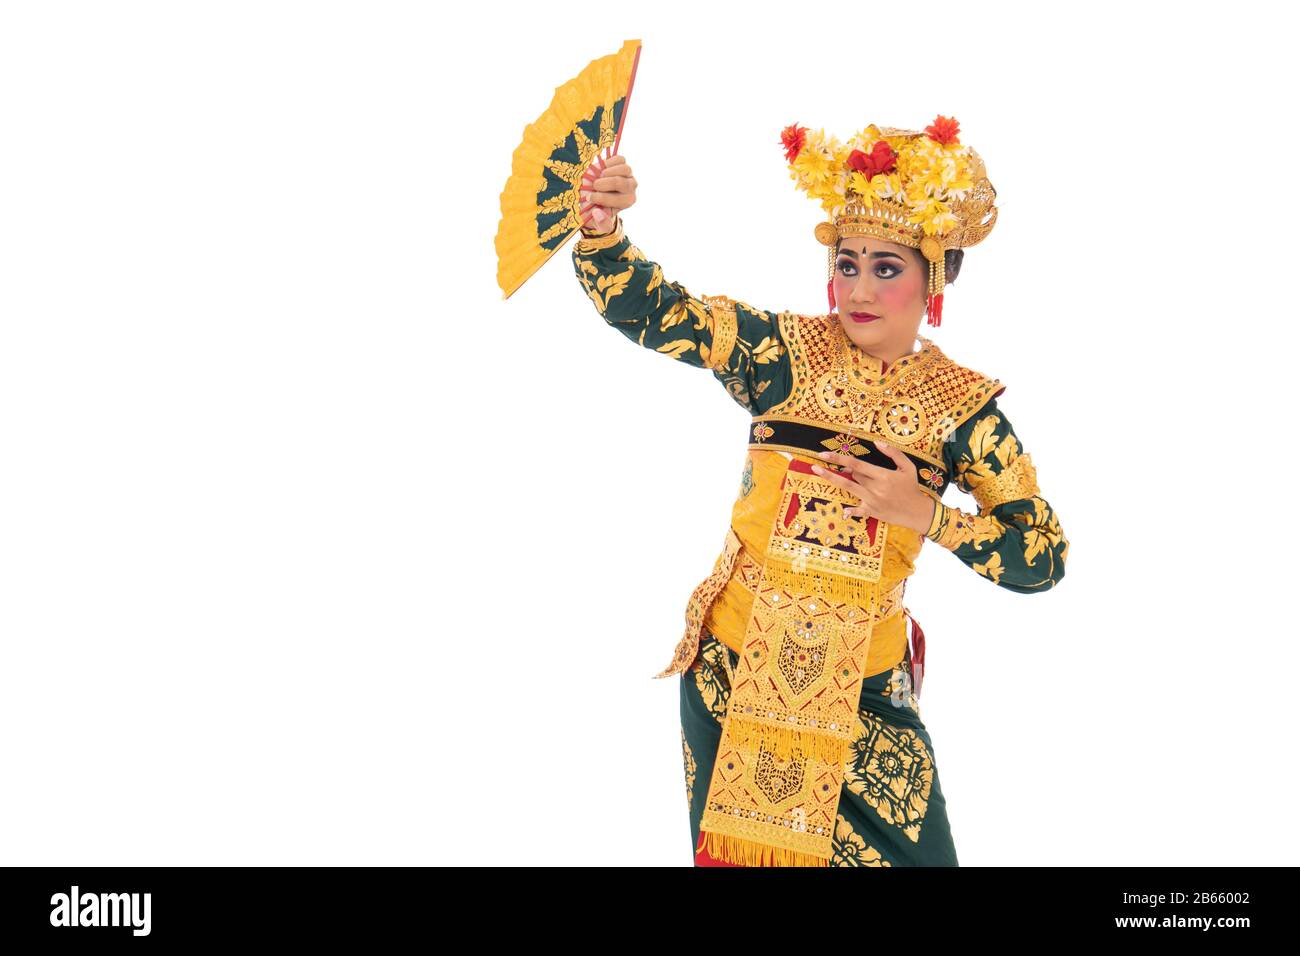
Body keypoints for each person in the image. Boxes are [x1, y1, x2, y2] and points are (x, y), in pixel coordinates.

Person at [571, 117, 1068, 867]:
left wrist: (929, 515)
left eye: (887, 269)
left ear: (932, 279)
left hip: (866, 696)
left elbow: (1043, 558)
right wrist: (605, 232)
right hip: (735, 673)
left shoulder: (963, 412)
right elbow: (655, 311)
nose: (859, 289)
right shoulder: (781, 354)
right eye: (847, 263)